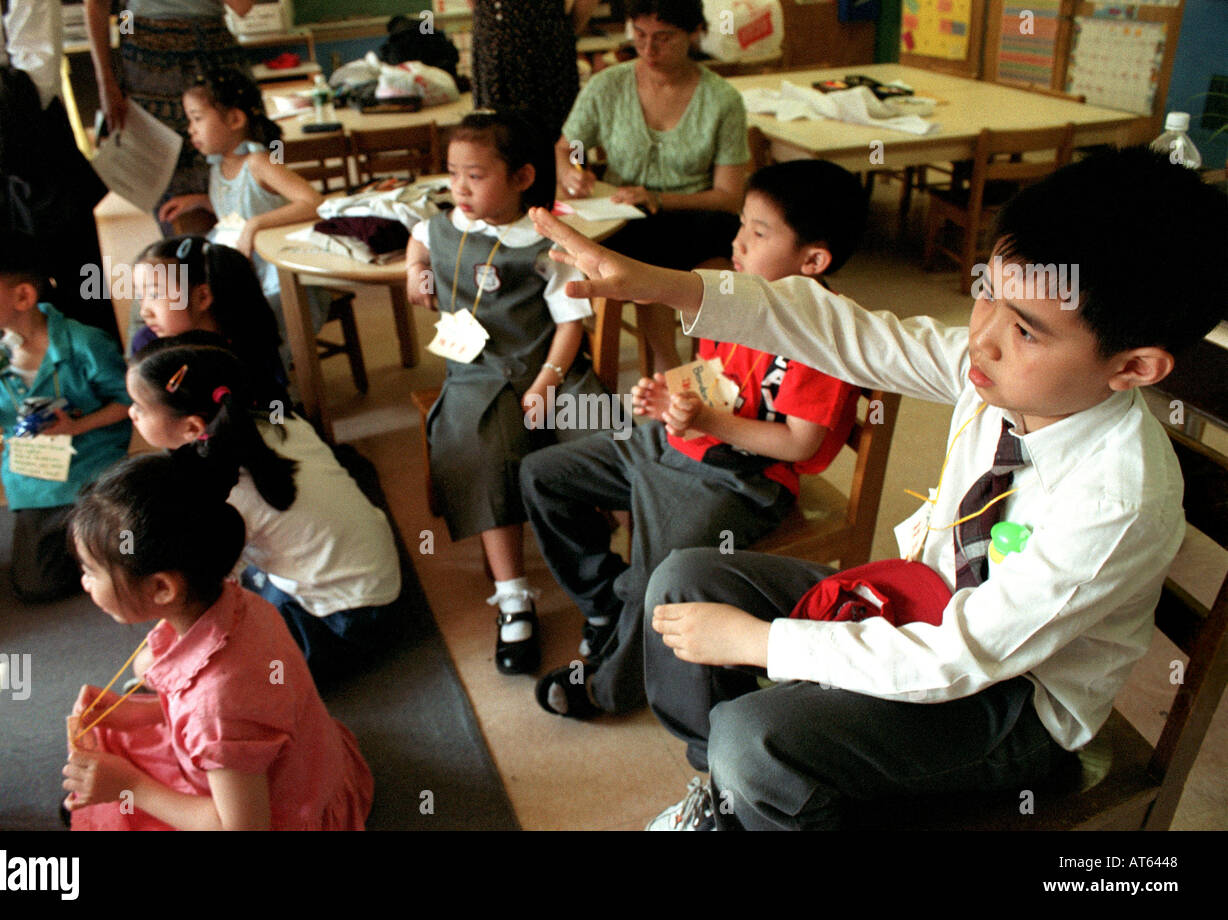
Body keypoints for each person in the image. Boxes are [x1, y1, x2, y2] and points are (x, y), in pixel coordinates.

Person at [526, 146, 1228, 830]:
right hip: (922, 603)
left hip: (1014, 699)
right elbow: (846, 331)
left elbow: (963, 657)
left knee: (755, 735)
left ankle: (756, 780)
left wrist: (767, 642)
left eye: (1024, 329)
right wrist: (660, 282)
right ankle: (733, 797)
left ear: (1133, 366)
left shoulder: (1115, 500)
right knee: (684, 581)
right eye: (987, 292)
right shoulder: (1003, 371)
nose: (980, 338)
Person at [524, 160, 866, 718]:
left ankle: (614, 682)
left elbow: (799, 446)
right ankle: (611, 601)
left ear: (813, 260)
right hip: (673, 443)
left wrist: (702, 420)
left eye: (758, 233)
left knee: (666, 571)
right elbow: (713, 378)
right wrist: (669, 396)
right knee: (542, 476)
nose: (738, 242)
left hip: (742, 478)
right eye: (742, 226)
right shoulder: (737, 294)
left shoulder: (820, 333)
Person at [62, 452, 374, 830]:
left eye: (91, 571)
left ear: (161, 587)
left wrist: (130, 785)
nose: (84, 583)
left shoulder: (216, 709)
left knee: (106, 794)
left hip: (277, 817)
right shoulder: (240, 602)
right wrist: (139, 714)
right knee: (110, 746)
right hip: (305, 767)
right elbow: (240, 710)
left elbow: (241, 827)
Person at [406, 110, 608, 675]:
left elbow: (572, 322)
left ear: (522, 177)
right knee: (479, 452)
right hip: (477, 369)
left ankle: (608, 588)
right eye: (453, 174)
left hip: (553, 367)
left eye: (476, 175)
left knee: (609, 440)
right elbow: (417, 241)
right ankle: (514, 597)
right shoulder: (443, 224)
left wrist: (548, 380)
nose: (460, 189)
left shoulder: (544, 241)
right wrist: (413, 273)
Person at [126, 337, 403, 685]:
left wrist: (167, 653)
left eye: (138, 405)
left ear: (194, 428)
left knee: (222, 673)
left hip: (346, 620)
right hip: (374, 574)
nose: (131, 413)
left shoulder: (225, 490)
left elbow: (208, 589)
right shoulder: (277, 421)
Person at [0, 230, 130, 602]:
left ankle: (93, 546)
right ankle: (84, 549)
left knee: (131, 562)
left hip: (94, 472)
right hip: (36, 481)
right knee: (36, 587)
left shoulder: (85, 344)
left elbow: (129, 403)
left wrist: (78, 425)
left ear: (23, 296)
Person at [555, 0, 750, 373]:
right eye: (640, 36)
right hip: (625, 215)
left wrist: (660, 198)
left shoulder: (722, 99)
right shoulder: (608, 84)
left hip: (699, 215)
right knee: (637, 245)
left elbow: (729, 197)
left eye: (664, 38)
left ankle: (672, 365)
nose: (649, 50)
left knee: (652, 254)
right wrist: (570, 171)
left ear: (694, 34)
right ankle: (669, 363)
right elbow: (566, 148)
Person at [0, 0, 115, 343]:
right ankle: (24, 369)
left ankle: (99, 368)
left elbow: (38, 71)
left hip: (30, 129)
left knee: (76, 268)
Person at [157, 68, 328, 352]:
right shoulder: (218, 165)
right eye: (190, 120)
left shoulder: (259, 162)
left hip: (277, 272)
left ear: (235, 119)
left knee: (241, 319)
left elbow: (315, 203)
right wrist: (201, 201)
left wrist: (255, 225)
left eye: (197, 119)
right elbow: (238, 210)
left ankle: (264, 380)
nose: (191, 129)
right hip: (239, 267)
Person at [85, 0, 253, 234]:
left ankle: (245, 259)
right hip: (146, 52)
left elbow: (242, 6)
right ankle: (186, 261)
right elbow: (96, 5)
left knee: (245, 162)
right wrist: (106, 82)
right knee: (170, 188)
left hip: (213, 46)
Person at [130, 235, 289, 408]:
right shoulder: (147, 348)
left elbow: (275, 405)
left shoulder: (245, 340)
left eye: (155, 295)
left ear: (202, 296)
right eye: (140, 296)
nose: (144, 311)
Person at [468, 0, 598, 143]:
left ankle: (572, 162)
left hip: (510, 38)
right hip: (505, 41)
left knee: (500, 135)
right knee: (499, 132)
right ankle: (571, 162)